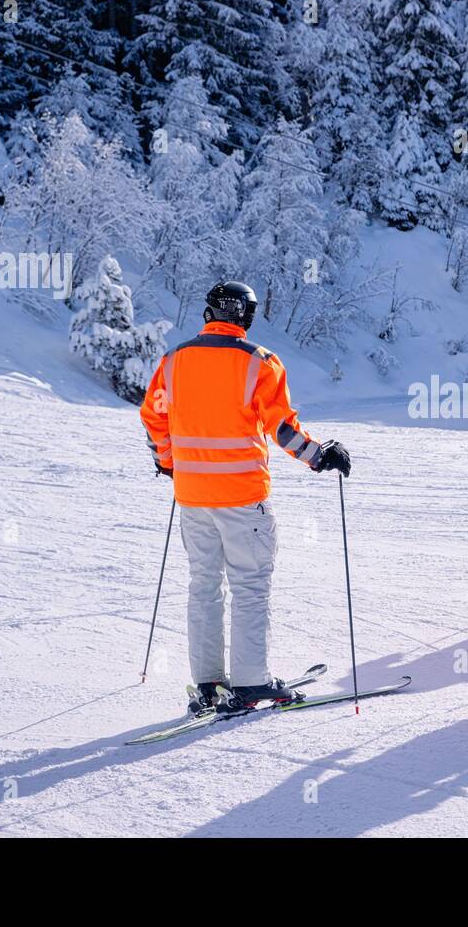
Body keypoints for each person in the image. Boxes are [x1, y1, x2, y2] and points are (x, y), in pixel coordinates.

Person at [140, 282, 352, 715]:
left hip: (193, 498)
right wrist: (320, 456)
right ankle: (252, 681)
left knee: (204, 586)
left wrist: (168, 462)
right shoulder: (260, 363)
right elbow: (283, 430)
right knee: (249, 588)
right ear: (246, 317)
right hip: (242, 497)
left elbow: (154, 416)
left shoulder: (174, 360)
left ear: (208, 313)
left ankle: (209, 681)